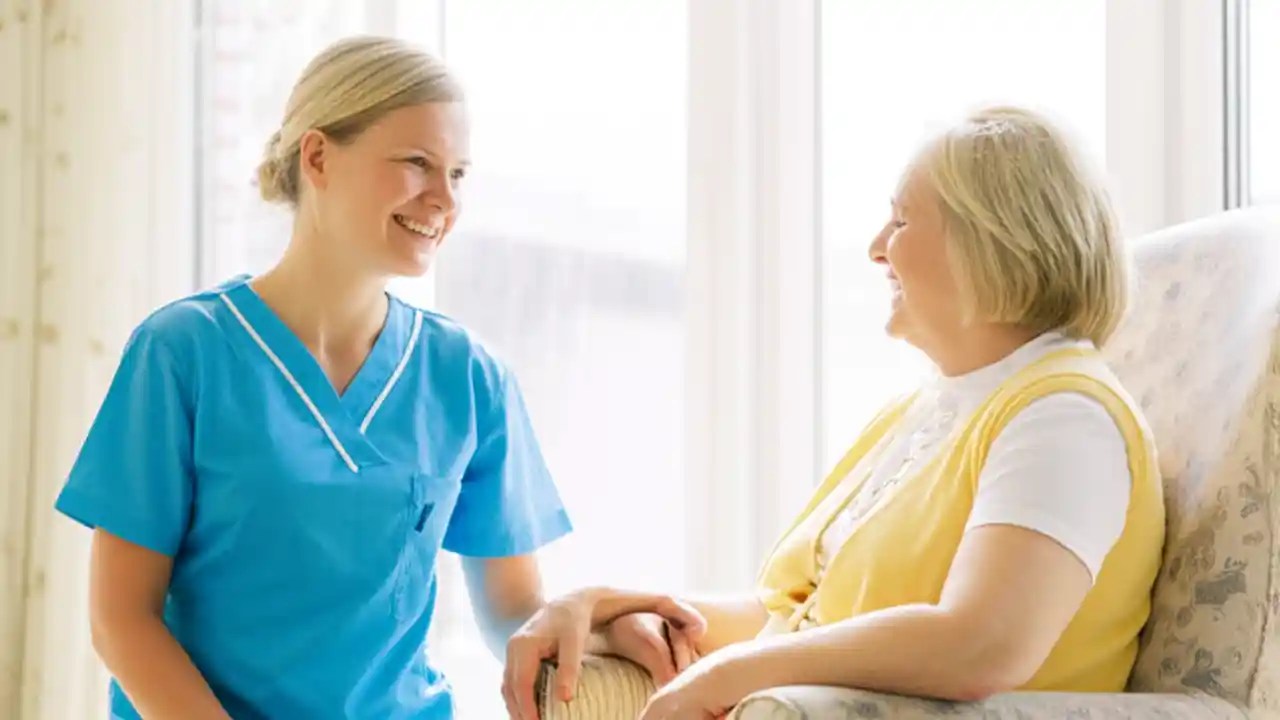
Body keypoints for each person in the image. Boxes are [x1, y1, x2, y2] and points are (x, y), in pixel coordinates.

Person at [55, 36, 701, 720]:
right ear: (318, 157)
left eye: (458, 174)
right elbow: (121, 619)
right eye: (417, 163)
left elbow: (511, 610)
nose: (443, 200)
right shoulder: (183, 354)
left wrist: (593, 623)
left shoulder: (469, 378)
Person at [506, 106, 1166, 720]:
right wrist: (615, 607)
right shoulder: (926, 410)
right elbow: (798, 618)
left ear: (994, 240)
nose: (879, 247)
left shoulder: (1065, 417)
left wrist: (734, 672)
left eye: (902, 221)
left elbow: (982, 643)